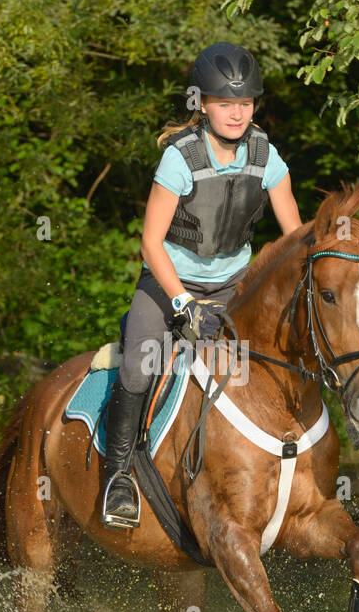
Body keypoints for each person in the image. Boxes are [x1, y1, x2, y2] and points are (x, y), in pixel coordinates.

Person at [101, 42, 303, 528]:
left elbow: (296, 237)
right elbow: (150, 243)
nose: (237, 113)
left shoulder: (266, 155)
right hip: (168, 282)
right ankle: (119, 477)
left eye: (246, 103)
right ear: (203, 105)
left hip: (234, 287)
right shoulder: (180, 159)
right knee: (139, 362)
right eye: (225, 103)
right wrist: (182, 303)